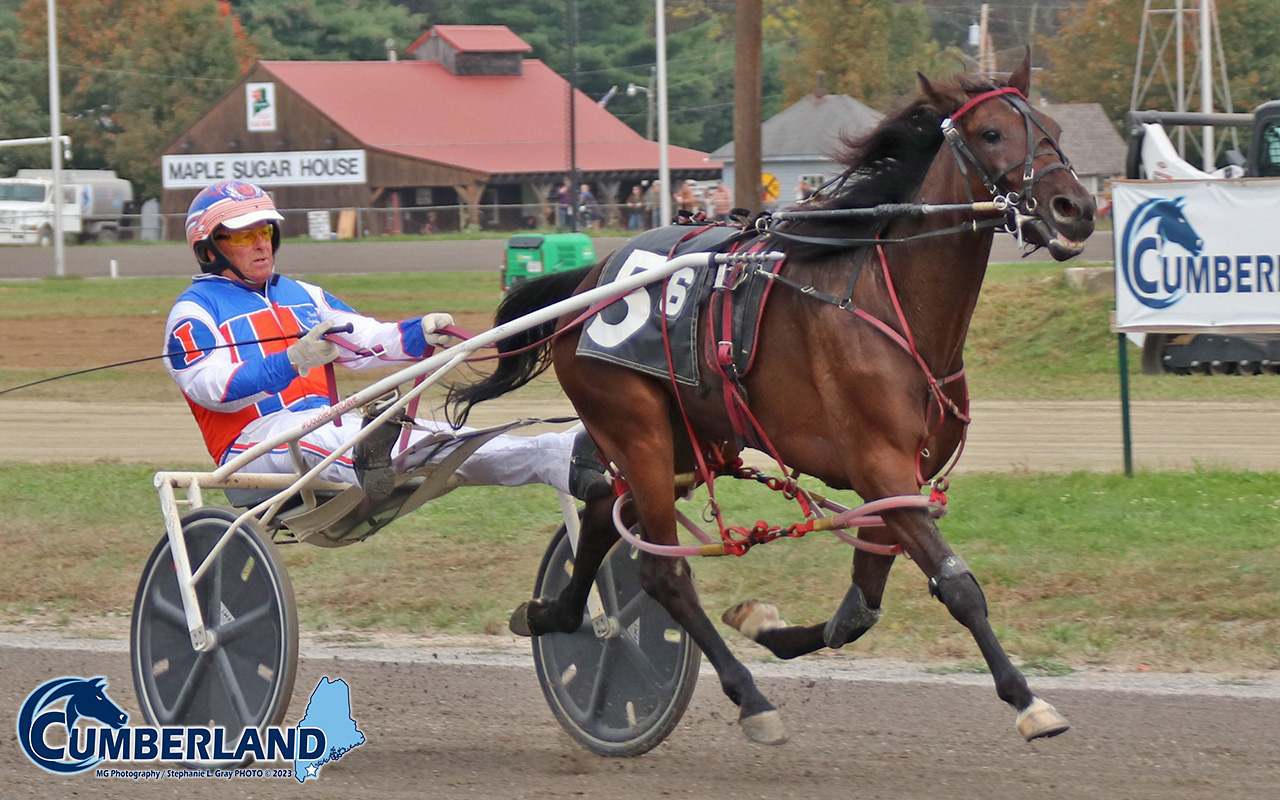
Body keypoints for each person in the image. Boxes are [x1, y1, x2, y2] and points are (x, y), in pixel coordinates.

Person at [163, 179, 608, 504]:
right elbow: (211, 389)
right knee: (349, 437)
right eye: (244, 236)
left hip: (320, 426)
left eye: (265, 232)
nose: (261, 245)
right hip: (251, 444)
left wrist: (419, 332)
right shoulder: (194, 312)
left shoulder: (303, 295)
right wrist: (292, 360)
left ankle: (554, 453)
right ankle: (367, 454)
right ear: (209, 248)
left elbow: (365, 338)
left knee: (443, 440)